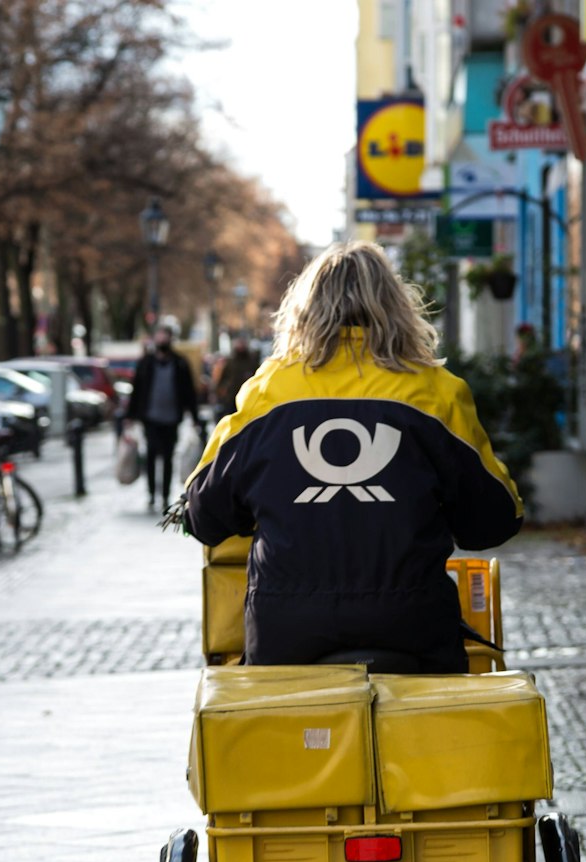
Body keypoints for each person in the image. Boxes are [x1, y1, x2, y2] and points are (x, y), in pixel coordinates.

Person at [183, 240, 522, 673]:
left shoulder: (267, 392)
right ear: (396, 307)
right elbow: (496, 519)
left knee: (282, 733)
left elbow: (202, 516)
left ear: (302, 313)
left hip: (288, 634)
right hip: (409, 628)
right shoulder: (436, 391)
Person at [128, 327, 199, 510]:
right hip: (150, 418)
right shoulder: (146, 363)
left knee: (167, 456)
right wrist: (131, 415)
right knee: (151, 454)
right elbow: (136, 391)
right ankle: (151, 493)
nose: (162, 340)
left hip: (172, 418)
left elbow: (189, 393)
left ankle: (165, 494)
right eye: (159, 336)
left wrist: (194, 416)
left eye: (165, 336)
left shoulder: (180, 363)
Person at [211, 333, 262, 420]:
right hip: (231, 398)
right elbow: (222, 379)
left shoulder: (252, 362)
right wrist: (220, 392)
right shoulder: (230, 362)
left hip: (248, 399)